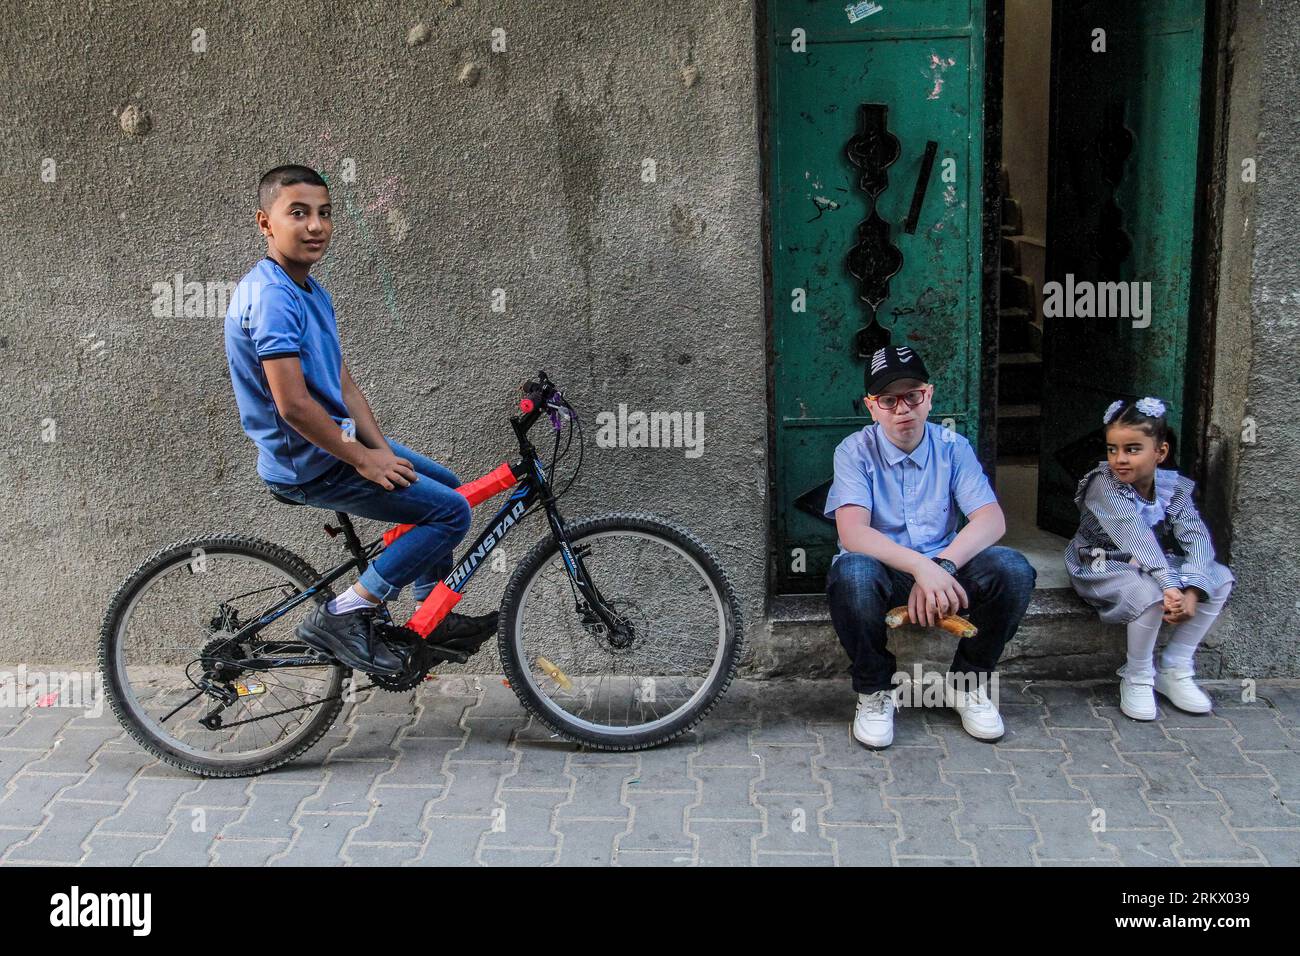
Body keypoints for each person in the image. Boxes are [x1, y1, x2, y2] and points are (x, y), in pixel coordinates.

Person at [223, 165, 496, 675]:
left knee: (448, 488)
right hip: (309, 462)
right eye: (298, 213)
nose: (315, 226)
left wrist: (380, 450)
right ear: (265, 223)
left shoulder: (309, 290)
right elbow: (294, 406)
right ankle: (345, 613)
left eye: (324, 213)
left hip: (334, 446)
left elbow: (344, 386)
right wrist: (364, 463)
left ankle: (426, 617)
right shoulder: (271, 298)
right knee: (451, 515)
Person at [824, 346, 1036, 749]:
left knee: (1012, 569)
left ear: (929, 396)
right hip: (885, 571)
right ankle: (874, 691)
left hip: (946, 571)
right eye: (888, 400)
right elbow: (853, 533)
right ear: (873, 407)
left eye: (912, 395)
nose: (901, 409)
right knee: (851, 573)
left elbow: (991, 520)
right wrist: (922, 570)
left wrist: (942, 567)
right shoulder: (853, 451)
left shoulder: (953, 446)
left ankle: (967, 682)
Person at [1065, 397, 1234, 720]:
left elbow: (1195, 536)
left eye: (1132, 449)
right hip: (1101, 560)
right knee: (1151, 594)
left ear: (1160, 452)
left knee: (1220, 576)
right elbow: (1135, 537)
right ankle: (1138, 674)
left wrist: (1194, 588)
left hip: (1150, 560)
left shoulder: (1173, 488)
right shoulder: (1104, 485)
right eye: (1112, 449)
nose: (1119, 459)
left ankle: (1175, 665)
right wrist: (1170, 586)